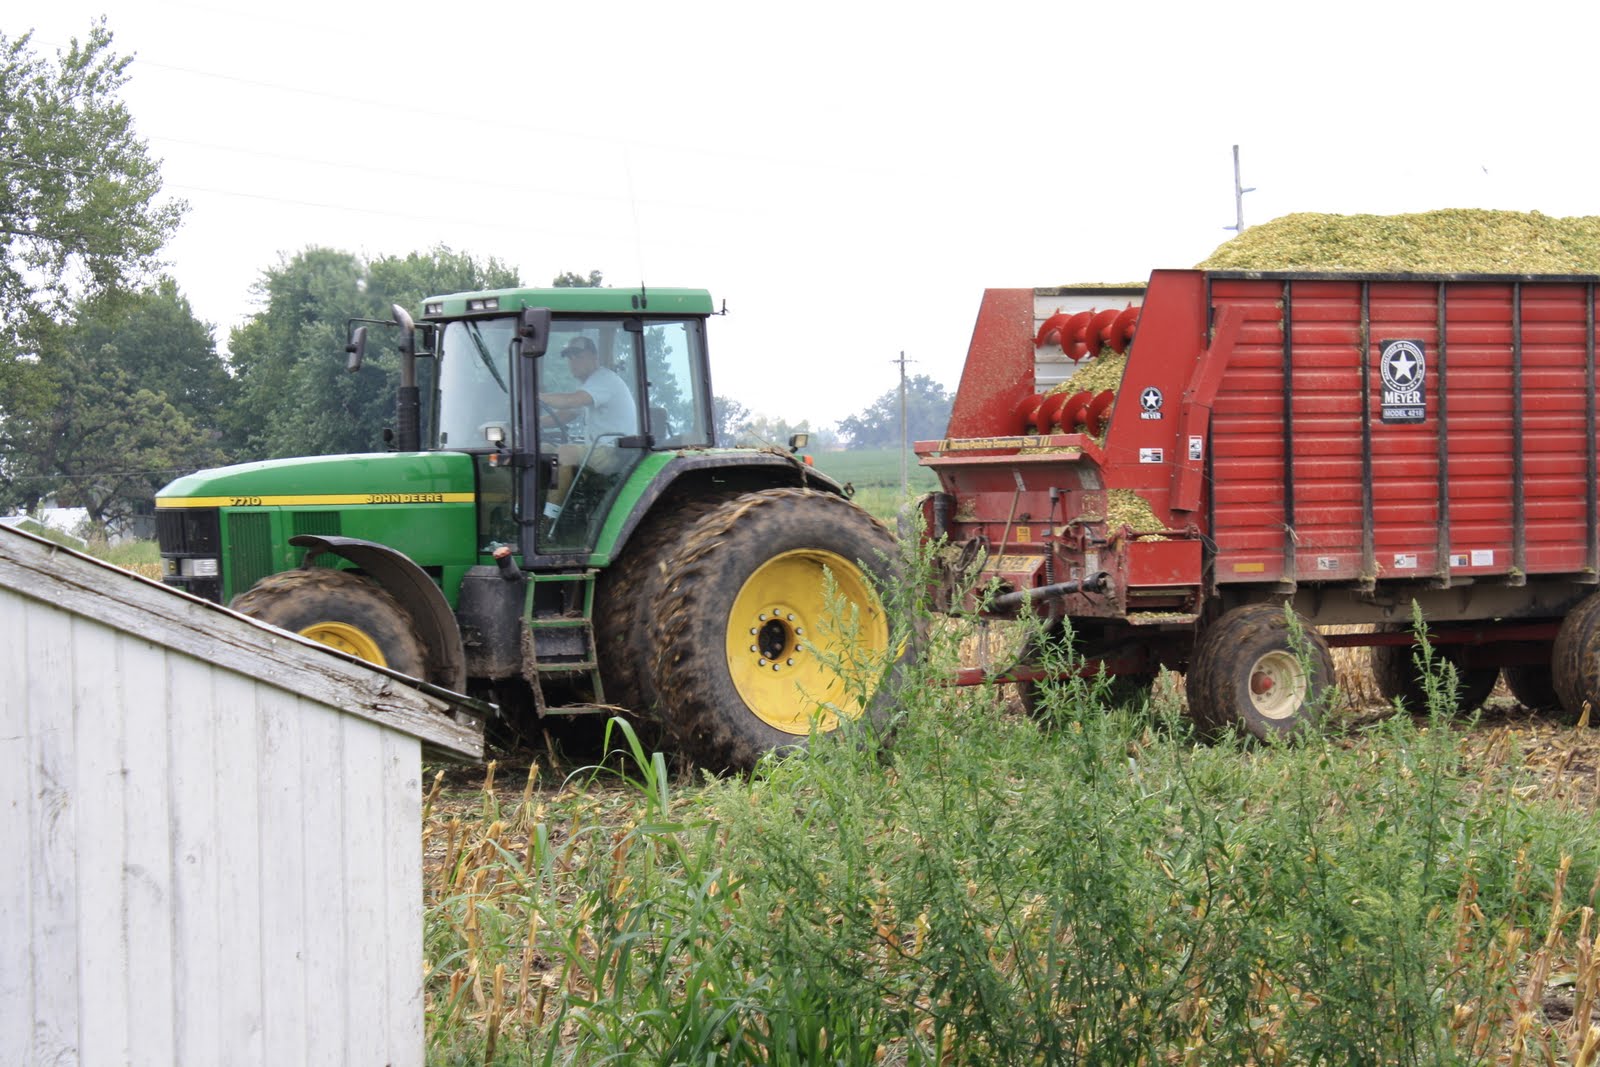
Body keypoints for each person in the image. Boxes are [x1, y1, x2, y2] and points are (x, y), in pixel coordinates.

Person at [541, 335, 639, 523]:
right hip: (598, 449)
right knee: (543, 449)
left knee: (566, 451)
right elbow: (566, 413)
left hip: (613, 452)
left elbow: (572, 400)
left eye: (578, 356)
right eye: (569, 357)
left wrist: (537, 396)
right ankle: (531, 511)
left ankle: (548, 520)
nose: (573, 362)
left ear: (594, 357)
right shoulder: (590, 386)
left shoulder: (604, 379)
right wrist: (527, 423)